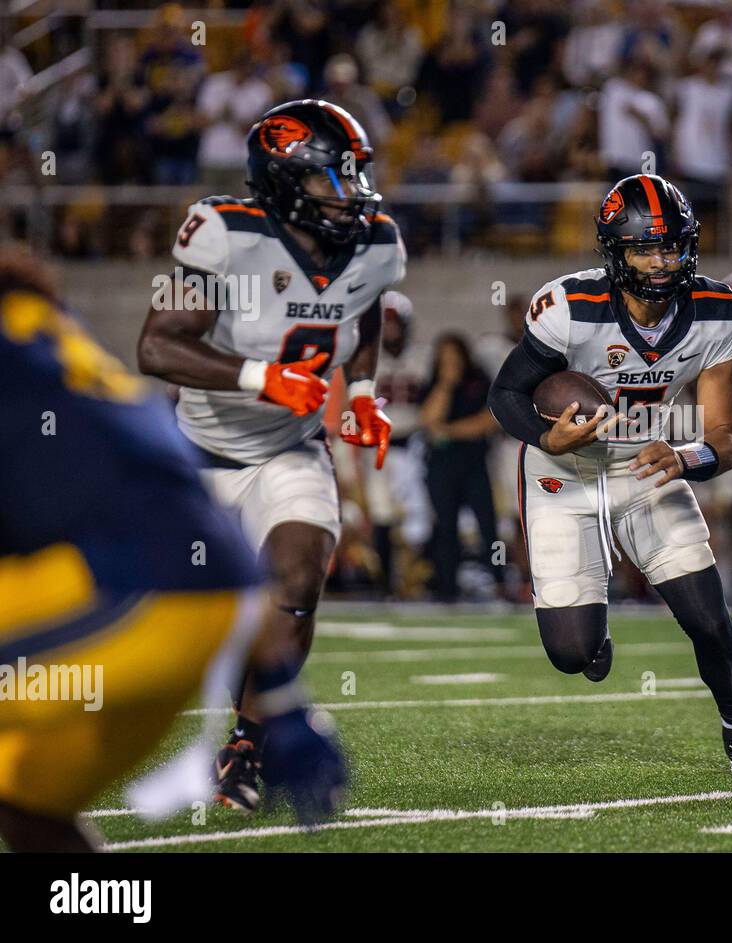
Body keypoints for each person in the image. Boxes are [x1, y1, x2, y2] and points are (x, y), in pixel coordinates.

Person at [0, 249, 344, 851]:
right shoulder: (52, 338)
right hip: (215, 601)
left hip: (131, 600)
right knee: (25, 806)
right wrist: (283, 703)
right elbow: (206, 538)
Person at [137, 99, 405, 812]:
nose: (348, 196)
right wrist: (262, 376)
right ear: (285, 181)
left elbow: (367, 305)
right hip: (199, 450)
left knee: (299, 576)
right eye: (330, 180)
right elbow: (156, 345)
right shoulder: (225, 235)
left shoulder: (374, 242)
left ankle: (248, 746)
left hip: (288, 450)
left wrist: (367, 391)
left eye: (353, 177)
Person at [486, 173, 732, 772]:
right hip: (562, 467)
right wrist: (549, 434)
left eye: (670, 245)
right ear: (614, 251)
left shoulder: (717, 311)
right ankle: (592, 637)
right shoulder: (570, 306)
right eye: (644, 248)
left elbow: (726, 438)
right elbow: (506, 395)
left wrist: (686, 456)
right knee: (571, 653)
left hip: (647, 461)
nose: (660, 260)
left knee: (707, 614)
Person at [420, 333, 503, 601]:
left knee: (487, 525)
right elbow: (429, 421)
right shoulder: (434, 384)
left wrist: (449, 432)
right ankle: (446, 586)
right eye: (445, 359)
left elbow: (488, 422)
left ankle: (499, 582)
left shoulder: (479, 382)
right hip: (442, 466)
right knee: (445, 527)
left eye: (454, 357)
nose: (451, 363)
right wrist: (445, 385)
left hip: (474, 464)